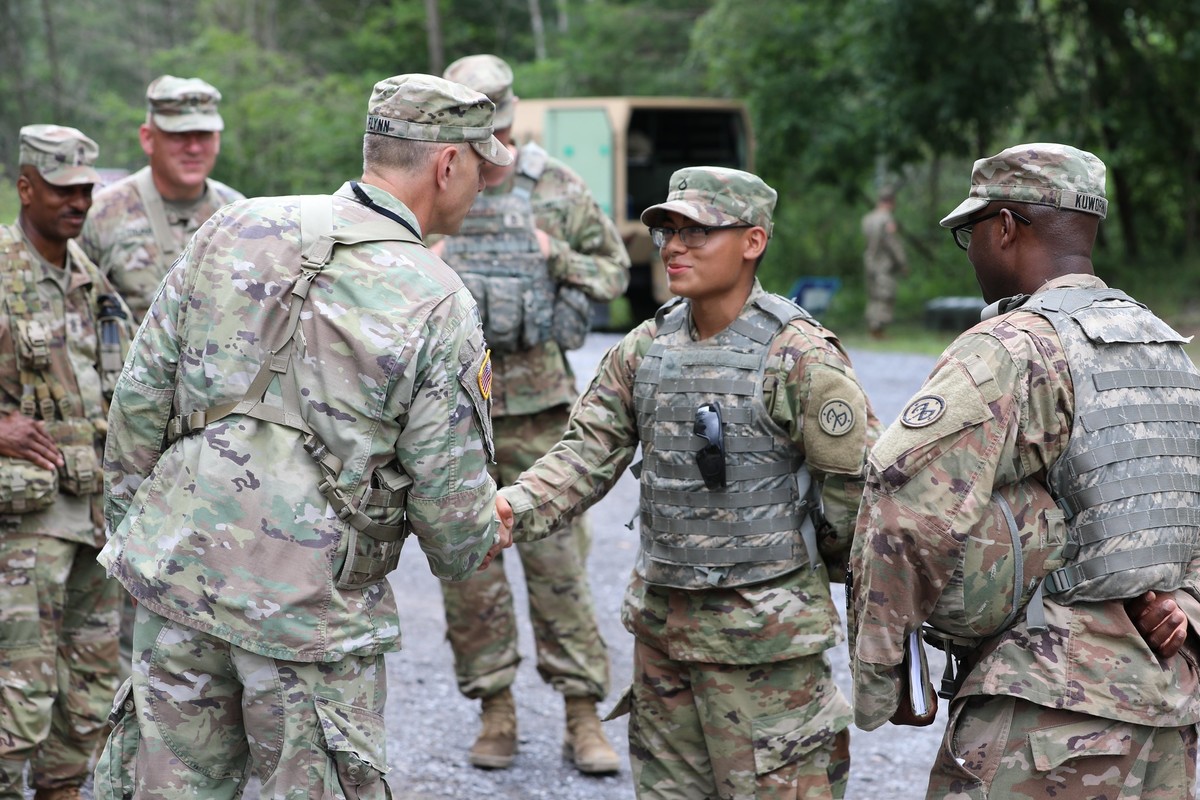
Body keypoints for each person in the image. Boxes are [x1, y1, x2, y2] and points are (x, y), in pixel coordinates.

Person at [93, 74, 515, 799]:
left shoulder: (237, 224)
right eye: (480, 163)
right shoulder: (437, 297)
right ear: (448, 165)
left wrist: (145, 541)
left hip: (178, 582)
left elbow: (137, 400)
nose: (484, 182)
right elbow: (453, 525)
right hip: (308, 620)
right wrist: (481, 532)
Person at [494, 166, 881, 799]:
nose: (674, 247)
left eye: (697, 232)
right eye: (668, 231)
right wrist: (511, 509)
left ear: (752, 241)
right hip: (664, 638)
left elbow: (859, 498)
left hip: (766, 652)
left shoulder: (799, 356)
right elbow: (583, 453)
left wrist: (820, 584)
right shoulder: (646, 347)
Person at [850, 143, 1200, 799]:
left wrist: (883, 671)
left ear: (1004, 226)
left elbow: (902, 494)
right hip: (1165, 727)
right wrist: (1186, 610)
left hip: (1041, 720)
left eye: (971, 233)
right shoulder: (1166, 346)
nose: (975, 249)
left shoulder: (1014, 347)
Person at [433, 52, 630, 774]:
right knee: (471, 576)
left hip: (542, 410)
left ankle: (583, 714)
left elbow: (614, 271)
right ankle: (496, 711)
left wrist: (557, 257)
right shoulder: (438, 187)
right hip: (455, 412)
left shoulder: (556, 188)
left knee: (559, 572)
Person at [0, 125, 132, 800]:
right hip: (23, 530)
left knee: (88, 696)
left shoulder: (91, 282)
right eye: (62, 190)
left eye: (85, 190)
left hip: (96, 522)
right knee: (17, 698)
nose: (76, 203)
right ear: (26, 188)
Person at [81, 74, 244, 322]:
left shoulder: (239, 215)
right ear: (148, 138)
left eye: (204, 135)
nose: (194, 148)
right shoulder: (103, 215)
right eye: (179, 135)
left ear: (217, 139)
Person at [861, 187, 907, 339]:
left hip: (869, 262)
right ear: (891, 202)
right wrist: (902, 262)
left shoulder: (867, 219)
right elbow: (892, 243)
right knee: (885, 295)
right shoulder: (886, 219)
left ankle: (872, 326)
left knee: (873, 295)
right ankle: (878, 328)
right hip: (883, 263)